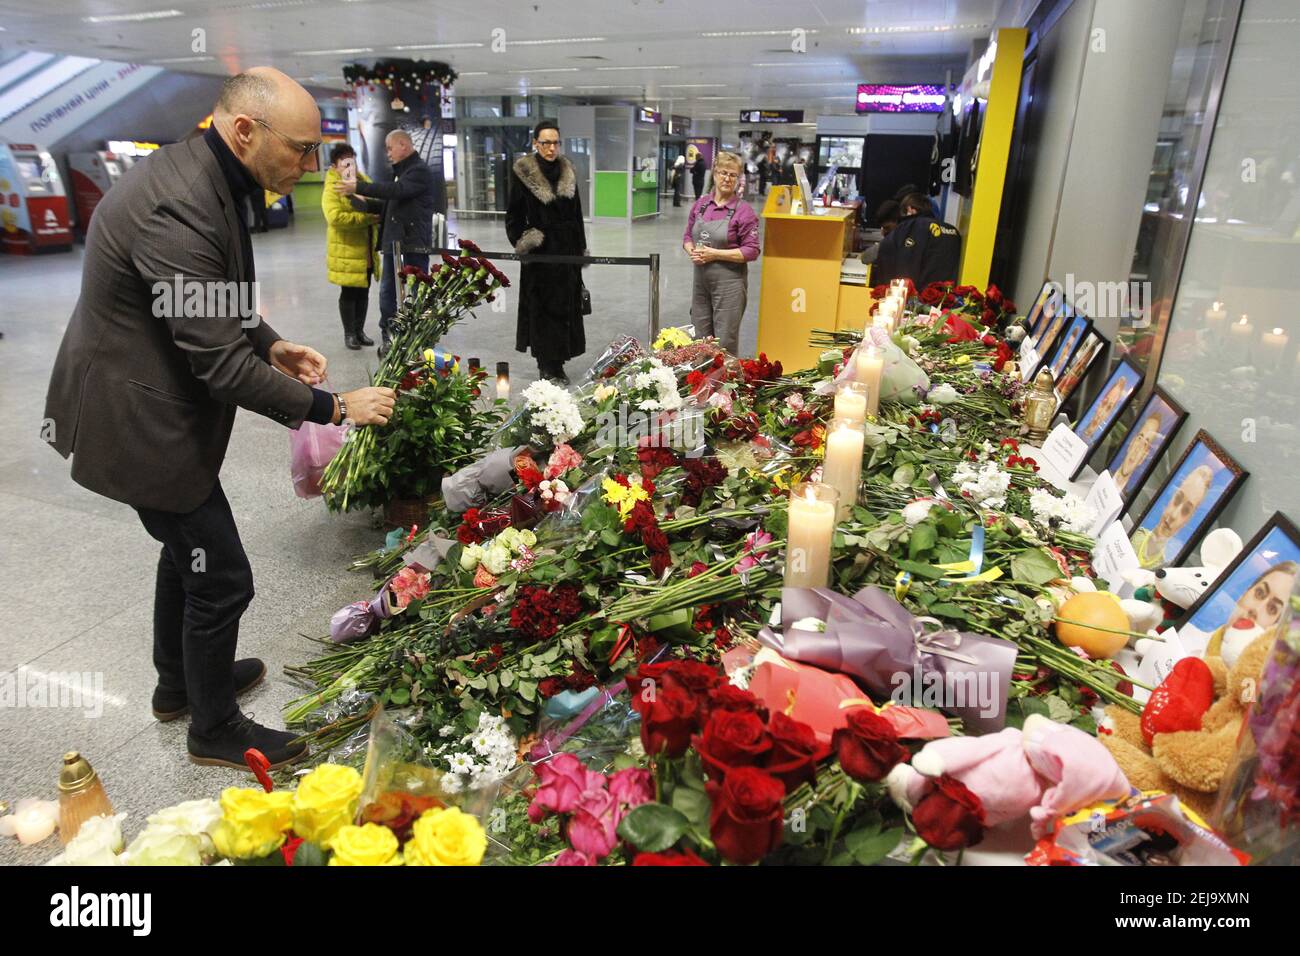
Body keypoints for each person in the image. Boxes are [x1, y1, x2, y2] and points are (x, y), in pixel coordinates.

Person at [42, 68, 397, 770]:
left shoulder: (212, 176)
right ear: (244, 131)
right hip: (136, 422)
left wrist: (271, 342)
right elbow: (220, 370)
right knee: (223, 575)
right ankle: (213, 725)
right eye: (298, 149)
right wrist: (335, 407)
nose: (305, 166)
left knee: (189, 553)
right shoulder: (177, 205)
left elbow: (217, 293)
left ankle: (180, 684)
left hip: (152, 412)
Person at [335, 129, 436, 357]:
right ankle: (389, 336)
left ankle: (420, 334)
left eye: (390, 148)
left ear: (403, 145)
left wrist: (358, 187)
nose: (388, 153)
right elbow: (389, 204)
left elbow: (397, 191)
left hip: (413, 243)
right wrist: (355, 199)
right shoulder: (401, 172)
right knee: (388, 292)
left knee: (418, 290)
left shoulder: (418, 171)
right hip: (394, 242)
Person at [505, 120, 587, 385]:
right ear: (535, 144)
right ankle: (544, 364)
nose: (552, 148)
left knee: (565, 309)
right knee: (541, 311)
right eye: (546, 143)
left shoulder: (568, 169)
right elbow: (513, 216)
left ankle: (559, 364)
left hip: (566, 252)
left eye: (555, 142)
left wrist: (580, 249)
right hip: (540, 255)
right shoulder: (523, 173)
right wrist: (525, 241)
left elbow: (577, 214)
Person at [683, 151, 761, 355]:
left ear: (738, 179)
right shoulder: (700, 206)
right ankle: (700, 385)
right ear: (715, 174)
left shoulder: (743, 211)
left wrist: (715, 254)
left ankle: (723, 386)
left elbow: (752, 251)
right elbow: (687, 237)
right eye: (723, 172)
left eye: (733, 175)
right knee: (699, 340)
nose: (727, 178)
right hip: (700, 283)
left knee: (724, 343)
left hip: (730, 285)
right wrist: (692, 251)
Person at [322, 143, 379, 350]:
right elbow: (335, 217)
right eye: (344, 163)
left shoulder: (362, 181)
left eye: (352, 161)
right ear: (335, 166)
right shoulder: (332, 187)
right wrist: (366, 219)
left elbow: (377, 197)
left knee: (364, 291)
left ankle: (360, 331)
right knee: (349, 293)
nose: (349, 167)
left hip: (366, 250)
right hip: (346, 250)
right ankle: (349, 334)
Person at [1131, 464, 1214, 569]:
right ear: (1171, 497)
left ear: (1189, 519)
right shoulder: (1133, 532)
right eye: (1177, 499)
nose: (1174, 515)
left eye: (1186, 511)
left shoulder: (1168, 566)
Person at [872, 191, 961, 288]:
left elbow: (885, 257)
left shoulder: (905, 229)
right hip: (948, 298)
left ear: (910, 210)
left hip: (916, 299)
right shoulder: (954, 231)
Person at [1114, 414, 1162, 496]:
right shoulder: (1103, 462)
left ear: (1144, 457)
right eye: (1139, 438)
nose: (1137, 449)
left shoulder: (1133, 494)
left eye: (1145, 444)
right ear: (1131, 442)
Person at [1079, 376, 1129, 443]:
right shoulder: (1080, 421)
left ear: (1110, 414)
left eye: (1108, 408)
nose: (1101, 413)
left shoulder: (1102, 443)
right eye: (1104, 403)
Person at [861, 199, 901, 266]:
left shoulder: (898, 240)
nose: (883, 232)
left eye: (887, 228)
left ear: (897, 221)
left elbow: (865, 258)